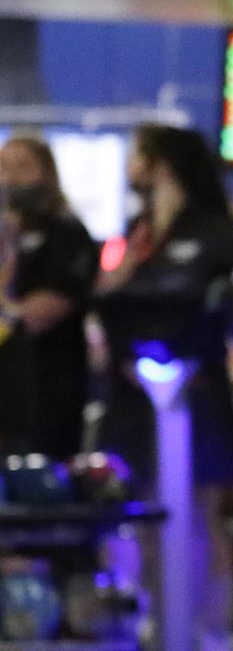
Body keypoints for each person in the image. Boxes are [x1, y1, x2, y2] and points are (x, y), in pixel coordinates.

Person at [97, 124, 233, 651]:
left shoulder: (212, 227)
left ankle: (215, 633)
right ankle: (161, 629)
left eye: (139, 155)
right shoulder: (139, 232)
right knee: (152, 510)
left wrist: (231, 294)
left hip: (197, 392)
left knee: (201, 511)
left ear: (162, 162)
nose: (132, 166)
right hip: (140, 394)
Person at [0, 129, 98, 459]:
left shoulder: (67, 234)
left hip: (49, 389)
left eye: (22, 166)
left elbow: (38, 316)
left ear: (46, 172)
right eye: (3, 166)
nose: (10, 177)